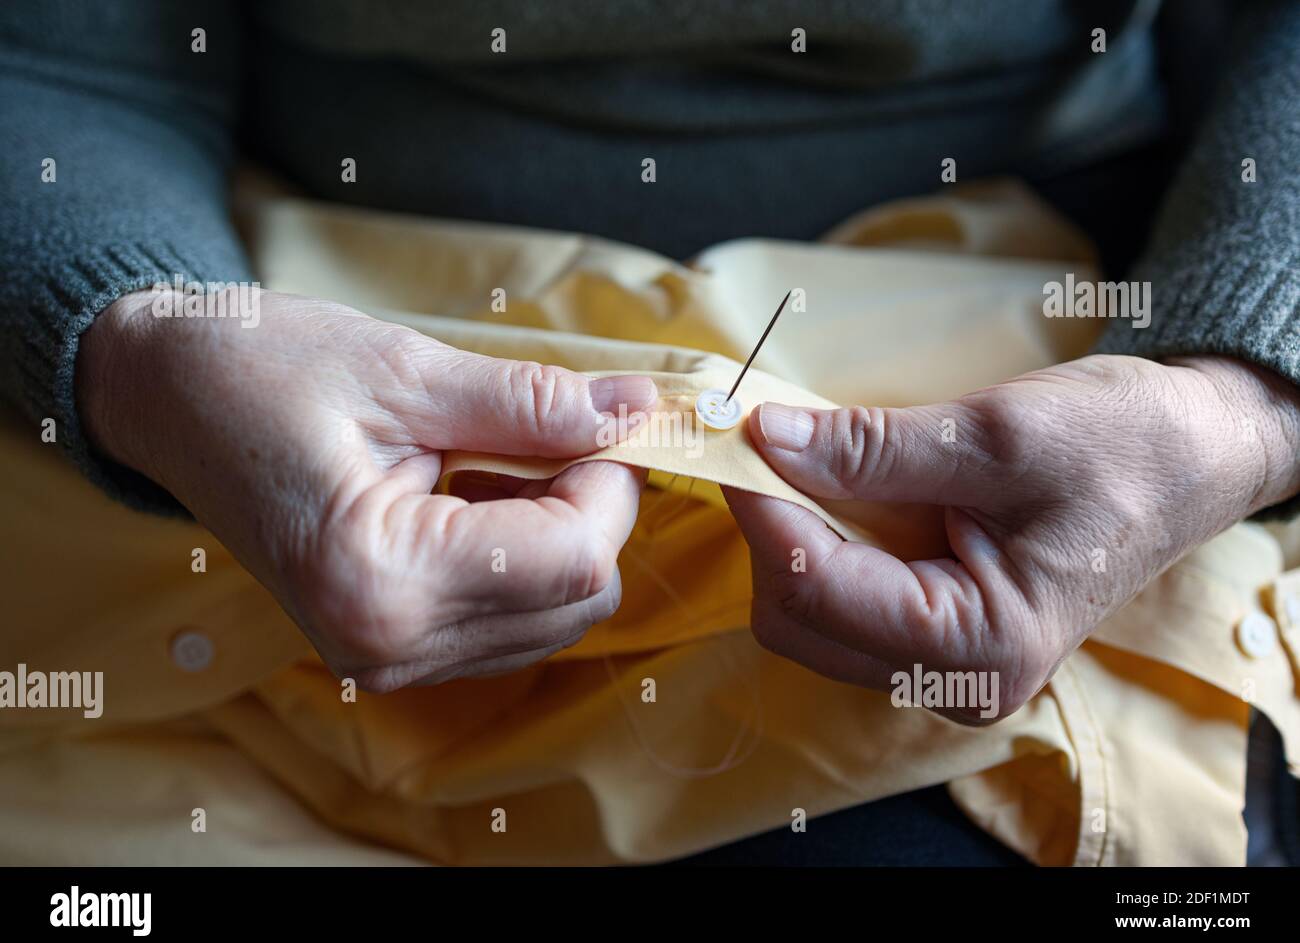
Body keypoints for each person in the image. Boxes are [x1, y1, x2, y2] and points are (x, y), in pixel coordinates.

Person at [2, 0, 1297, 864]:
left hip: (1058, 359)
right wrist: (145, 343)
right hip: (273, 353)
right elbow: (57, 56)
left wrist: (1241, 392)